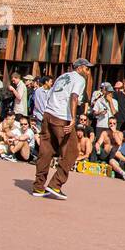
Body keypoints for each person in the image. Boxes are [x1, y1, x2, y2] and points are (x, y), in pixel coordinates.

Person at [32, 59, 92, 199]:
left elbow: (50, 94)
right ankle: (55, 184)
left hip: (48, 114)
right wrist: (72, 118)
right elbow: (74, 97)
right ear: (81, 68)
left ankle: (38, 187)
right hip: (61, 117)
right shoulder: (79, 79)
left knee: (46, 150)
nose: (88, 72)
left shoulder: (62, 76)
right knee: (71, 151)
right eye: (87, 69)